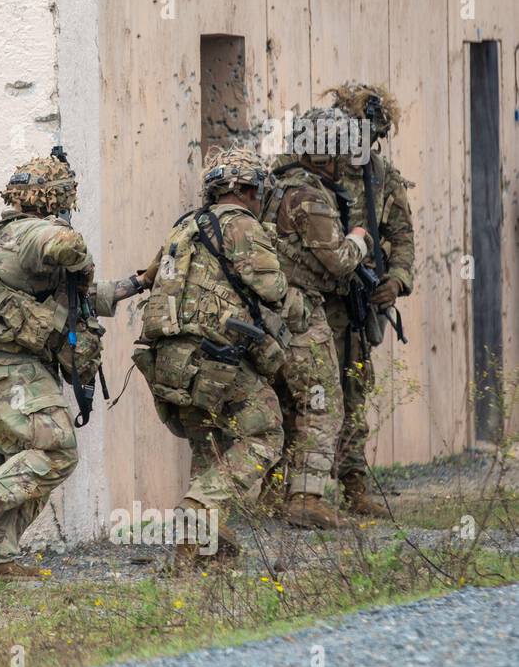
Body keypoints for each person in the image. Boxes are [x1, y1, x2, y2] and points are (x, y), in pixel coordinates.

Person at [0, 148, 147, 581]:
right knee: (58, 451)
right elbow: (65, 245)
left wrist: (139, 283)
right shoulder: (29, 233)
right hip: (11, 370)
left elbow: (78, 300)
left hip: (4, 369)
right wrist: (76, 250)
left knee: (36, 463)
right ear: (57, 199)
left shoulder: (2, 240)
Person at [133, 146, 289, 567]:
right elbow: (275, 290)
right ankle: (199, 509)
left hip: (169, 359)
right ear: (246, 188)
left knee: (211, 449)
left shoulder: (183, 227)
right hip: (216, 357)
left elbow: (149, 278)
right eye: (259, 191)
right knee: (265, 432)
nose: (261, 200)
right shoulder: (241, 226)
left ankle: (196, 553)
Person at [261, 107, 373, 528]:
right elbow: (340, 261)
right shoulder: (308, 195)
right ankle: (306, 499)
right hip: (301, 314)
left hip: (274, 312)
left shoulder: (274, 185)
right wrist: (359, 240)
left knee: (288, 404)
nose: (346, 158)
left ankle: (277, 495)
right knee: (323, 402)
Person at [322, 82, 416, 517]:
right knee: (310, 392)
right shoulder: (322, 172)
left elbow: (402, 237)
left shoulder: (384, 177)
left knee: (355, 390)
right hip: (320, 299)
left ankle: (352, 484)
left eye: (371, 135)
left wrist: (394, 281)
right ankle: (294, 488)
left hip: (361, 303)